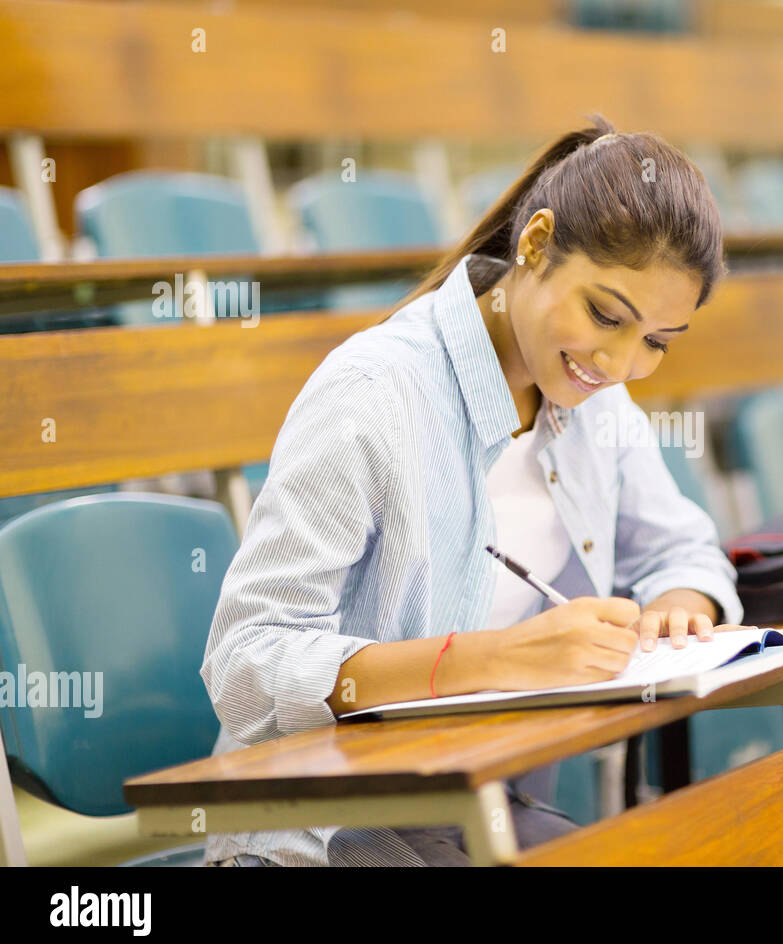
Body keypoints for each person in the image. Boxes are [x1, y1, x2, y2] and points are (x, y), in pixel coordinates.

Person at [200, 114, 745, 866]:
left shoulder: (593, 396)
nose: (619, 363)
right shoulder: (375, 392)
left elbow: (681, 546)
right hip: (324, 826)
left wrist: (683, 608)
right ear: (534, 243)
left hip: (480, 805)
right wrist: (495, 658)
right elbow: (245, 660)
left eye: (654, 341)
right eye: (605, 314)